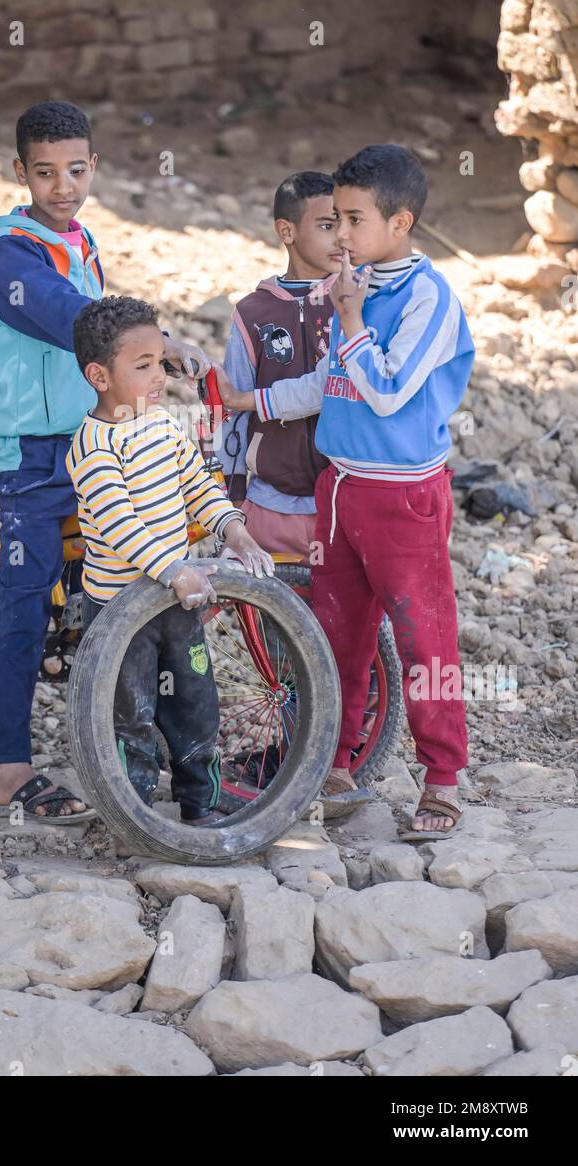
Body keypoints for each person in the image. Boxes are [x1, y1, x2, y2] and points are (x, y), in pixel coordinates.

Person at [217, 145, 475, 839]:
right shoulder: (355, 287)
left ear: (400, 222)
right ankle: (334, 763)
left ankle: (443, 779)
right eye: (334, 218)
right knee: (335, 636)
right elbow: (327, 385)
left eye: (354, 220)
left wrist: (353, 318)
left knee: (424, 638)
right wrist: (252, 400)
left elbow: (387, 390)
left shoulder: (428, 299)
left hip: (403, 496)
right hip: (340, 491)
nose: (342, 235)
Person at [0, 100, 210, 821]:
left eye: (76, 170)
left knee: (110, 566)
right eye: (45, 172)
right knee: (25, 592)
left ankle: (129, 740)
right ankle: (9, 769)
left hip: (87, 435)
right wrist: (158, 344)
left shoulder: (82, 241)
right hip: (33, 446)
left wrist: (148, 360)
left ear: (94, 167)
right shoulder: (8, 249)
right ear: (21, 172)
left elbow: (100, 324)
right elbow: (69, 317)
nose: (63, 186)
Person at [66, 295, 274, 824]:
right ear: (98, 376)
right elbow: (120, 527)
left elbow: (198, 486)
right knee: (130, 716)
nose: (158, 376)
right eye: (142, 366)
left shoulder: (161, 426)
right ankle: (131, 818)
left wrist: (235, 530)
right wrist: (175, 570)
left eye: (160, 362)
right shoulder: (93, 447)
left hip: (176, 603)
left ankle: (199, 805)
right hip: (120, 609)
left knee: (194, 705)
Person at [218, 170, 343, 557]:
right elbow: (231, 408)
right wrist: (231, 498)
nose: (341, 237)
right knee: (261, 593)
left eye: (346, 224)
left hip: (342, 500)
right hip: (267, 505)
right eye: (327, 225)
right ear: (286, 231)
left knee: (336, 595)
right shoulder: (252, 313)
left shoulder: (353, 300)